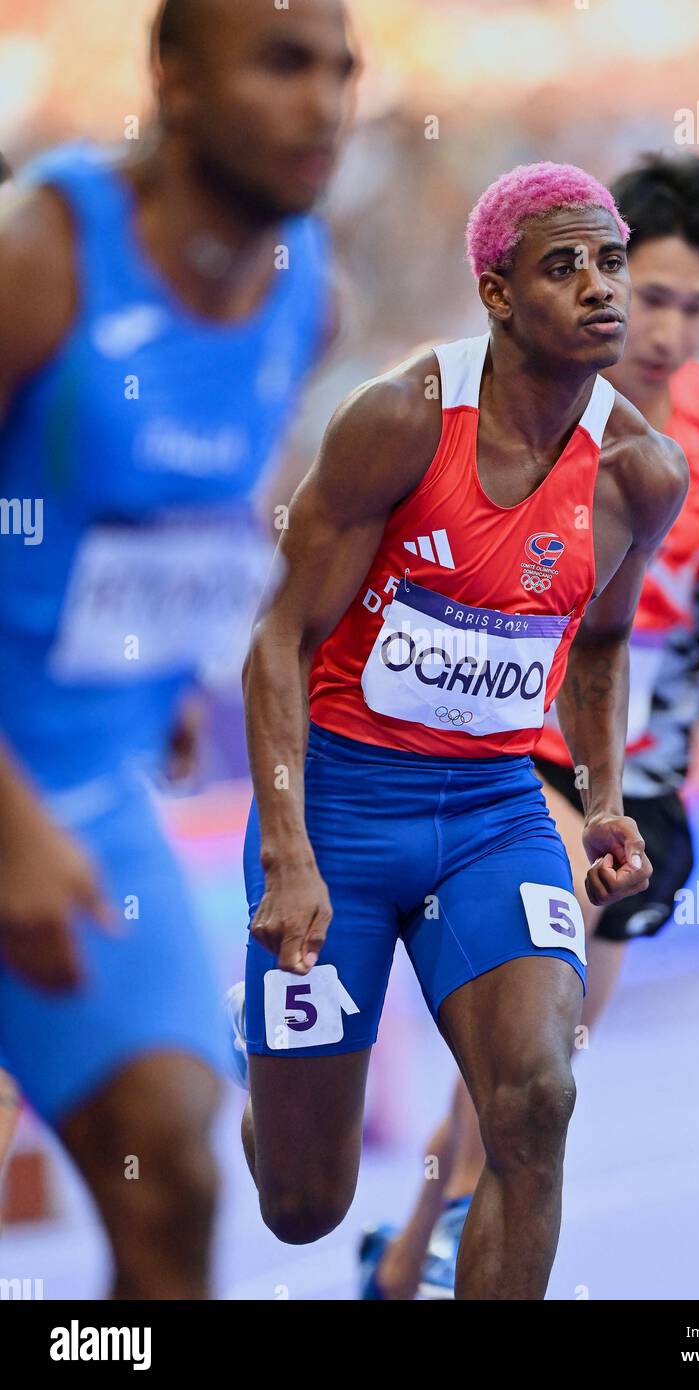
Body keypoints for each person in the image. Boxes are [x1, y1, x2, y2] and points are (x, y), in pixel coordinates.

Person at [229, 159, 689, 1301]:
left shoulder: (638, 472)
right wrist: (287, 855)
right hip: (338, 813)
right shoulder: (399, 420)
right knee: (301, 1204)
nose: (600, 288)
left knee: (535, 1102)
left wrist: (598, 802)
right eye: (562, 264)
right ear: (494, 292)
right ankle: (269, 1070)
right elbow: (275, 640)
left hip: (491, 818)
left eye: (611, 261)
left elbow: (593, 645)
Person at [361, 152, 699, 1300]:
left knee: (547, 1053)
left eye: (694, 308)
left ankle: (408, 1257)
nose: (659, 328)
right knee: (531, 955)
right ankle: (451, 1228)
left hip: (636, 775)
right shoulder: (524, 407)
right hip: (511, 754)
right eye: (642, 292)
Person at [0, 0, 356, 1296]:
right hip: (14, 798)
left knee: (175, 1162)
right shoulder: (39, 255)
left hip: (90, 780)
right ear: (174, 80)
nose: (323, 102)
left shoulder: (304, 294)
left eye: (340, 69)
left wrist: (167, 652)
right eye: (279, 64)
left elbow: (193, 497)